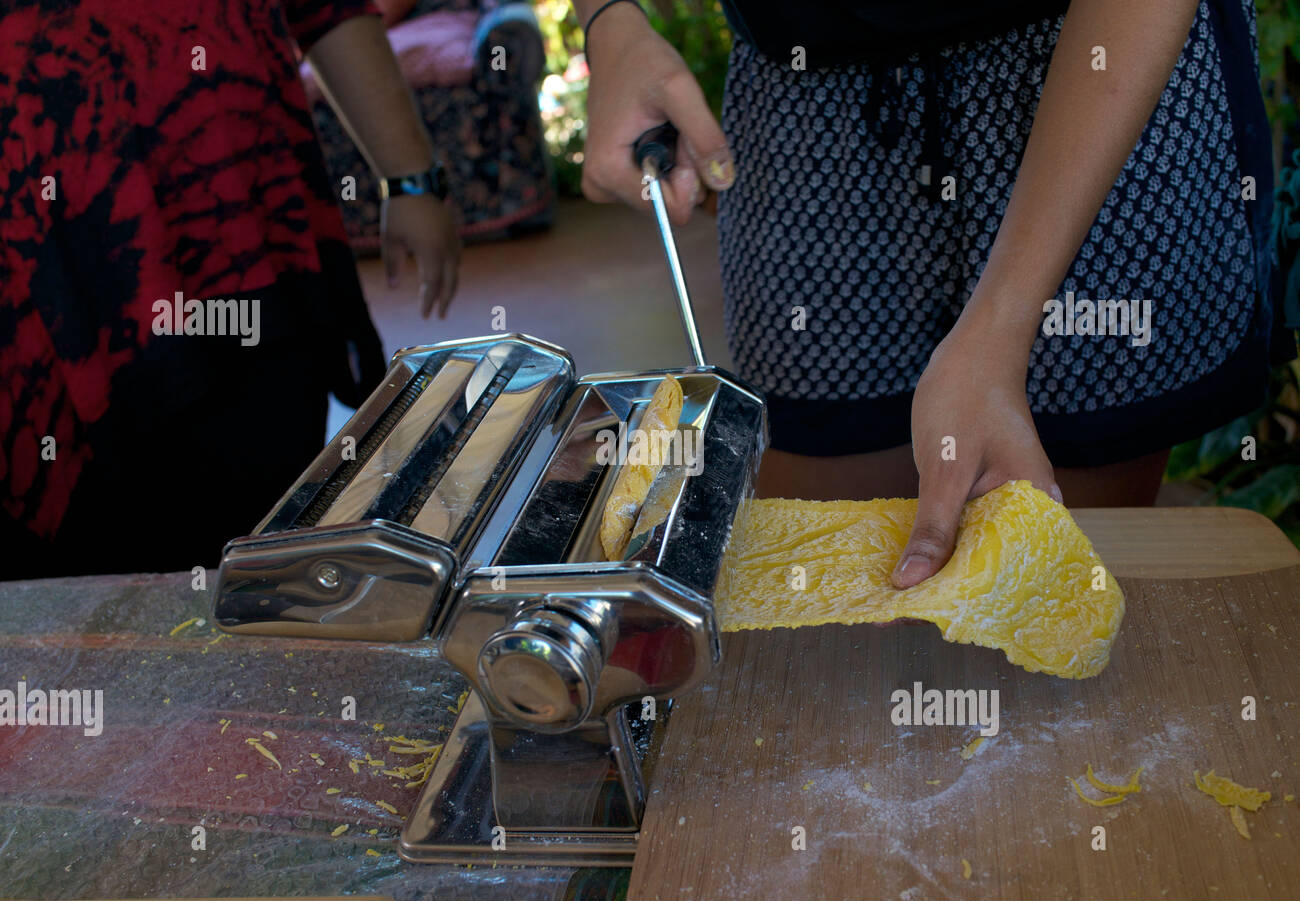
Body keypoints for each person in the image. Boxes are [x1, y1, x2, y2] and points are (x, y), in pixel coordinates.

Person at [575, 0, 1290, 589]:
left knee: (1044, 589)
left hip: (1097, 61)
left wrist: (1003, 325)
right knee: (824, 599)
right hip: (804, 83)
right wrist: (609, 21)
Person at [0, 0, 460, 580]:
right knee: (70, 603)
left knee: (253, 559)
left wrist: (412, 178)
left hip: (242, 242)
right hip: (42, 295)